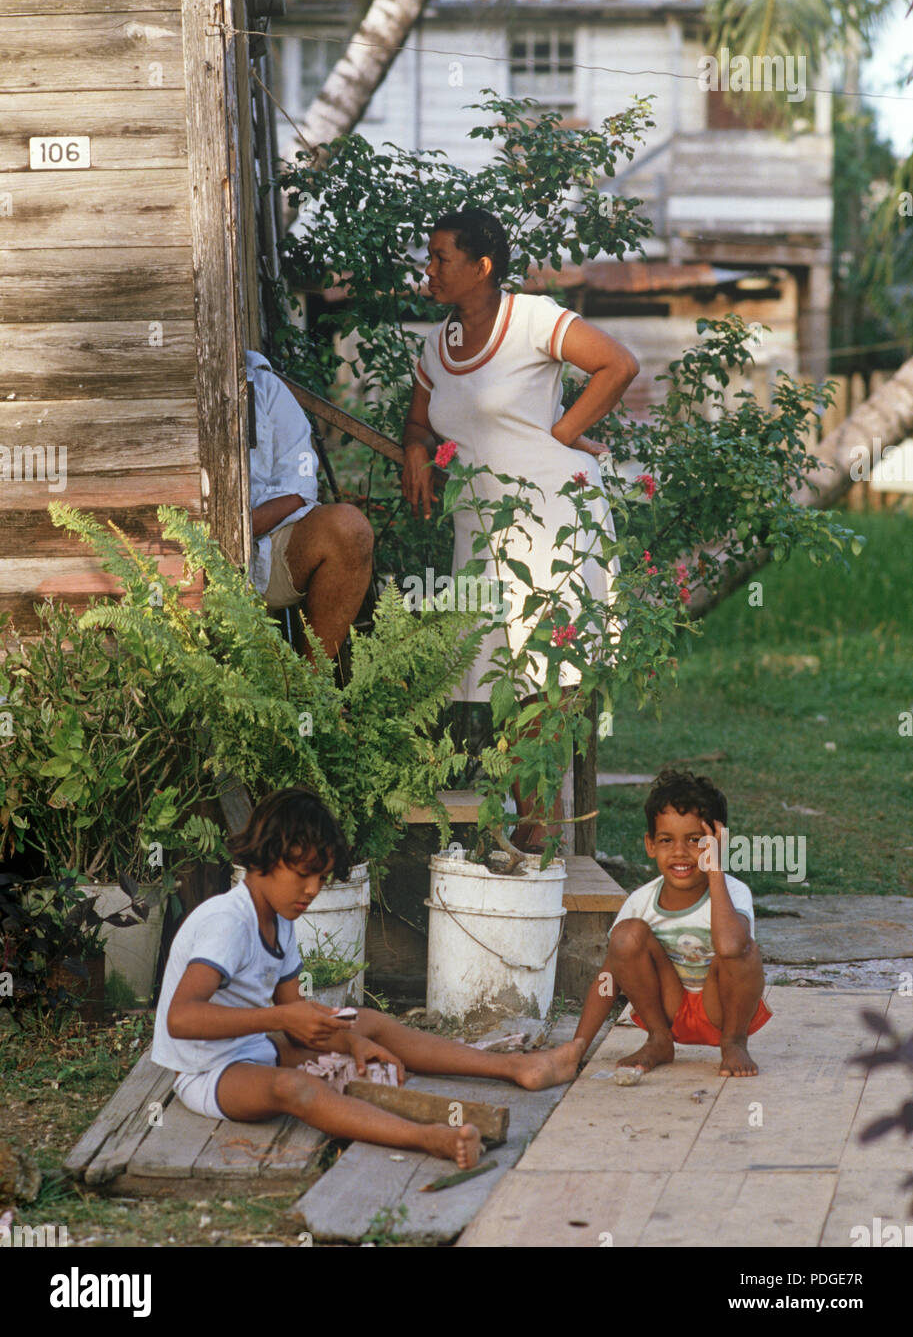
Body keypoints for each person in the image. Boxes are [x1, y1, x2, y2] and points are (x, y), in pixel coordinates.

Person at [151, 787, 582, 1168]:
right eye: (303, 875)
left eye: (320, 878)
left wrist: (352, 1041)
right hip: (209, 1073)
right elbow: (181, 1019)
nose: (312, 890)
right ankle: (427, 1138)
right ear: (264, 860)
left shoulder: (279, 921)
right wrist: (283, 1022)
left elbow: (296, 1017)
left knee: (364, 1021)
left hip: (257, 1048)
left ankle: (512, 1066)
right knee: (294, 1088)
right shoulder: (228, 921)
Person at [400, 208, 639, 850]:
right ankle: (528, 840)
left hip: (551, 517)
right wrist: (416, 453)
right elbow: (420, 423)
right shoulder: (436, 345)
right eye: (430, 255)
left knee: (544, 681)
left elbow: (618, 364)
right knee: (500, 683)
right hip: (481, 530)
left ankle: (537, 844)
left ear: (482, 267)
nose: (431, 268)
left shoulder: (532, 319)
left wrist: (562, 432)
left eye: (442, 257)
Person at [568, 768, 772, 1079]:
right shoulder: (641, 901)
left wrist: (715, 870)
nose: (680, 852)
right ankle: (659, 1040)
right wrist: (577, 1047)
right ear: (650, 845)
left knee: (745, 949)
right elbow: (609, 976)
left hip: (722, 1010)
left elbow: (731, 947)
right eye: (666, 840)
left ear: (717, 842)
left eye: (695, 840)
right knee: (625, 936)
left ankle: (734, 1043)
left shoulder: (733, 892)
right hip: (668, 1008)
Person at [246, 349, 374, 663]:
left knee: (348, 528)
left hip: (262, 549)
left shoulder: (264, 386)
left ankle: (312, 693)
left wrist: (236, 528)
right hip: (177, 554)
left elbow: (298, 493)